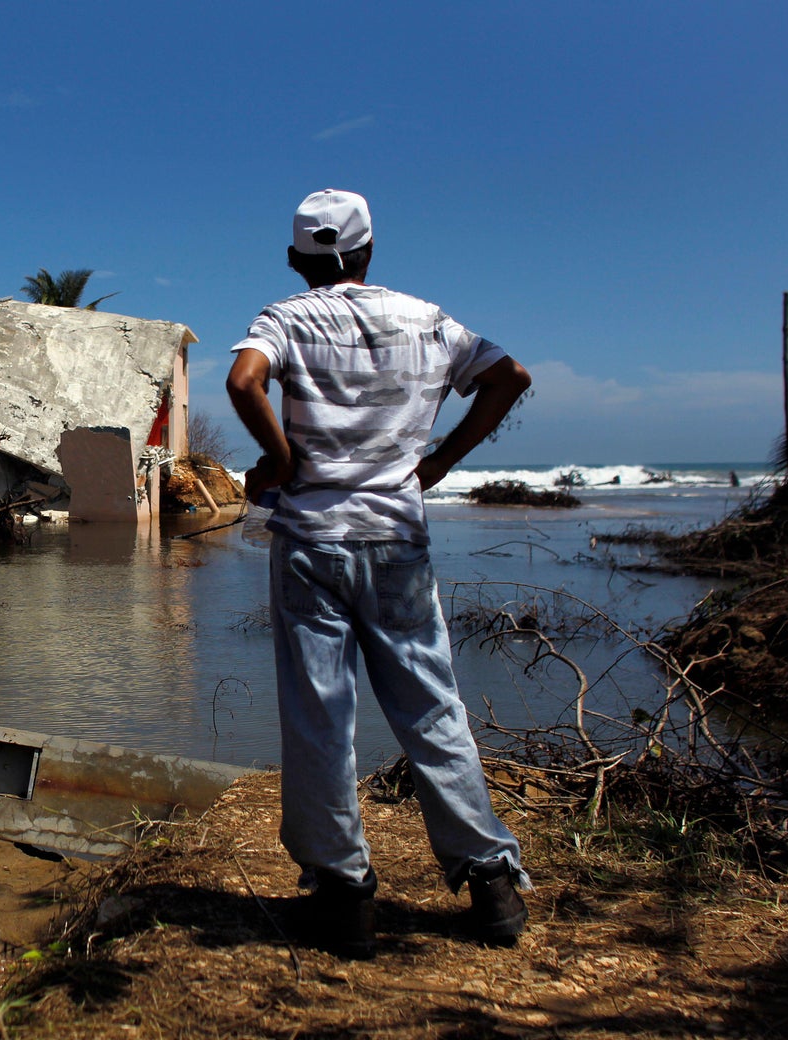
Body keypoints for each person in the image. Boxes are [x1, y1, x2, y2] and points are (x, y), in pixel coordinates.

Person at [226, 188, 533, 960]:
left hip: (311, 541)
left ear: (298, 260)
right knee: (431, 706)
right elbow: (509, 376)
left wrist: (285, 460)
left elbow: (243, 382)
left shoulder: (285, 319)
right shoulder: (427, 319)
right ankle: (490, 882)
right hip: (396, 538)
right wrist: (435, 465)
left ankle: (343, 895)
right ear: (368, 254)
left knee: (321, 718)